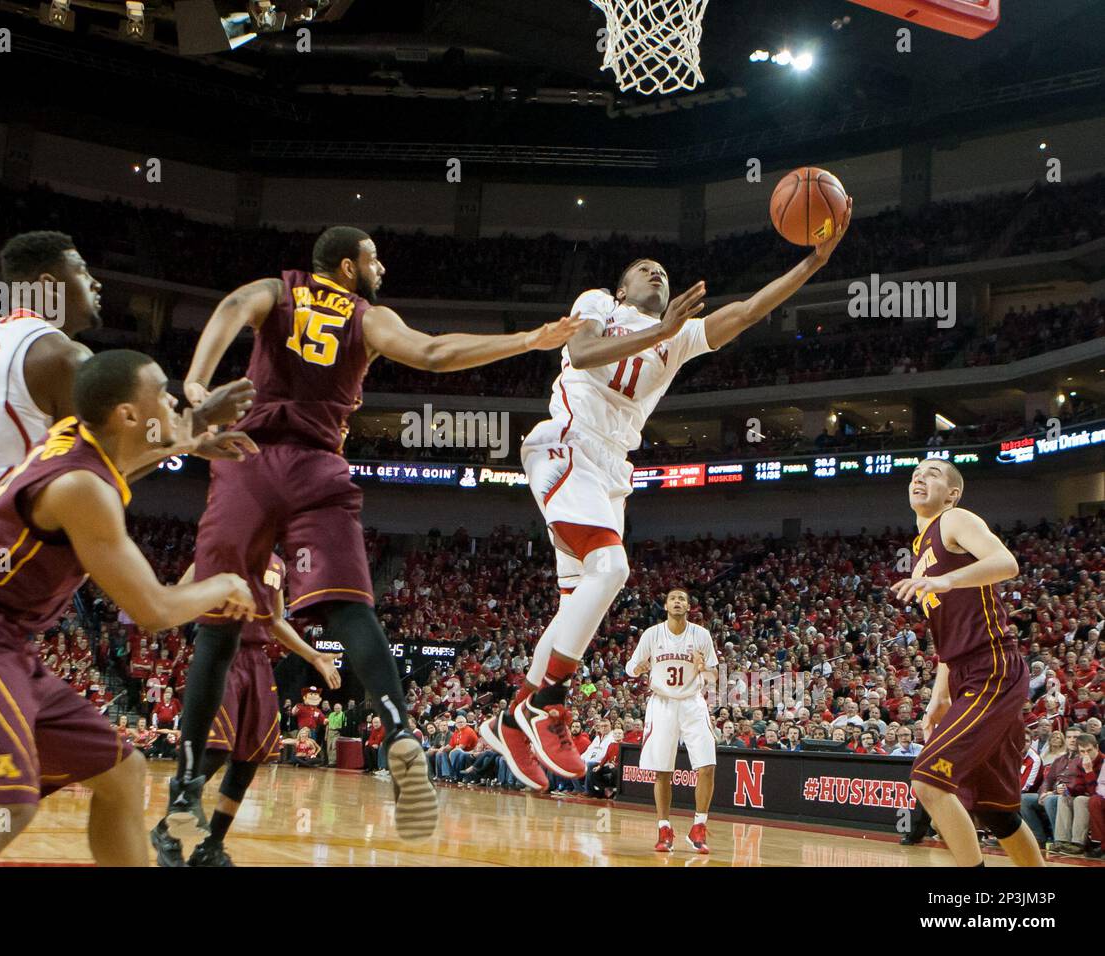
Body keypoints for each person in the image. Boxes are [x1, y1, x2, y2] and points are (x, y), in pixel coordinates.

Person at [0, 232, 253, 868]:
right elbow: (119, 431)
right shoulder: (62, 359)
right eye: (83, 270)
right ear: (50, 283)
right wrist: (192, 429)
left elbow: (117, 441)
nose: (98, 283)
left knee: (108, 767)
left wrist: (187, 437)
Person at [169, 225, 582, 842]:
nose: (382, 268)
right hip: (319, 468)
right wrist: (529, 339)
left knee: (220, 625)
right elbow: (436, 353)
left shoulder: (277, 291)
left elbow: (231, 307)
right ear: (346, 265)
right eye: (373, 259)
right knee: (352, 612)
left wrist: (196, 385)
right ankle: (401, 732)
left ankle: (181, 788)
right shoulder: (369, 317)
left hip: (249, 458)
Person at [482, 204, 853, 791]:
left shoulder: (678, 337)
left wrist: (813, 261)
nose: (657, 275)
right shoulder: (598, 304)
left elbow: (750, 310)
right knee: (612, 568)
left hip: (611, 472)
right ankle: (544, 706)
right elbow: (581, 355)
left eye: (664, 272)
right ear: (622, 285)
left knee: (575, 606)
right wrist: (658, 329)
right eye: (645, 269)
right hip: (569, 443)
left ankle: (512, 714)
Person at [0, 350, 256, 865]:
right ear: (129, 414)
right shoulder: (82, 489)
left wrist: (194, 434)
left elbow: (128, 454)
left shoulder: (75, 433)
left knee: (122, 772)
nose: (173, 399)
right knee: (3, 803)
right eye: (162, 391)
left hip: (1, 638)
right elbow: (153, 609)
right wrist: (222, 583)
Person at [890, 459, 1042, 867]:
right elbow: (948, 637)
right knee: (995, 810)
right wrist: (938, 696)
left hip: (993, 666)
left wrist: (947, 579)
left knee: (927, 781)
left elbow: (1006, 563)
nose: (920, 478)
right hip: (964, 673)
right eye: (915, 474)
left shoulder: (954, 519)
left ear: (952, 493)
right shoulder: (920, 548)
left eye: (933, 474)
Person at [152, 552, 340, 867]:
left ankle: (211, 846)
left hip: (257, 661)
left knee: (249, 758)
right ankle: (169, 830)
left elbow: (276, 620)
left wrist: (314, 656)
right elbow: (176, 598)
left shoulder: (278, 565)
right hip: (220, 651)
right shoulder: (218, 549)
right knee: (215, 750)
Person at [626, 588, 718, 853]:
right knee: (663, 771)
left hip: (692, 702)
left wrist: (704, 669)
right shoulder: (652, 634)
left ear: (688, 606)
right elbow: (630, 668)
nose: (677, 602)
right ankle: (664, 828)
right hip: (662, 703)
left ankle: (699, 827)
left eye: (682, 599)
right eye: (673, 598)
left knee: (707, 765)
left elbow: (713, 677)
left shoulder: (701, 635)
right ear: (666, 605)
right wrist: (639, 668)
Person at [1048, 732, 1101, 855]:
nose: (1086, 754)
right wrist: (1066, 789)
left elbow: (1096, 792)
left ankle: (1078, 843)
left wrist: (1088, 771)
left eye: (1089, 750)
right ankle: (1062, 841)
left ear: (1097, 747)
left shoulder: (1103, 761)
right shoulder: (1078, 762)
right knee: (1064, 798)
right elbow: (1078, 786)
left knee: (1080, 800)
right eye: (1082, 751)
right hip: (1087, 796)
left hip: (1098, 798)